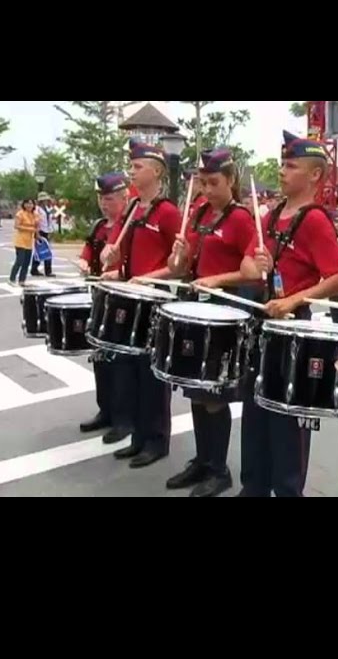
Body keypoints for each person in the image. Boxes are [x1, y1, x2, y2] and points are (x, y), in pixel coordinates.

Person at [237, 131, 338, 497]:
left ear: (314, 175)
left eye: (290, 165)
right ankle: (253, 487)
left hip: (295, 329)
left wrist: (294, 298)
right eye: (282, 164)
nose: (282, 172)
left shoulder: (314, 220)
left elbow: (337, 278)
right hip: (264, 322)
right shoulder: (270, 217)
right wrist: (260, 265)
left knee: (288, 428)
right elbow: (256, 269)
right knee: (255, 417)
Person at [162, 148, 259, 498]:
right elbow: (180, 267)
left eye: (213, 182)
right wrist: (179, 255)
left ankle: (219, 470)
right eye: (202, 182)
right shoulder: (199, 213)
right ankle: (203, 460)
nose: (205, 189)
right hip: (198, 308)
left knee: (214, 394)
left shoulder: (241, 219)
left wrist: (219, 279)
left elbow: (254, 275)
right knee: (196, 391)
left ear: (231, 180)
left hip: (225, 313)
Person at [98, 139, 182, 467]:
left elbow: (180, 266)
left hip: (155, 300)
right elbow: (117, 250)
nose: (131, 171)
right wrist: (112, 261)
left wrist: (151, 277)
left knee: (151, 373)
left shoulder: (168, 212)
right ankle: (138, 436)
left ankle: (157, 440)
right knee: (130, 370)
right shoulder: (133, 209)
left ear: (157, 170)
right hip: (131, 299)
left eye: (137, 167)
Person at [78, 172, 131, 434]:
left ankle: (123, 417)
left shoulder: (128, 225)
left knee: (119, 360)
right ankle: (105, 409)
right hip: (99, 295)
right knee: (99, 356)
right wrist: (84, 262)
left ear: (124, 197)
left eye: (109, 198)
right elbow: (88, 249)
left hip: (122, 298)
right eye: (101, 198)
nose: (104, 203)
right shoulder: (100, 226)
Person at [10, 198, 39, 286]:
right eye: (27, 203)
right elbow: (16, 226)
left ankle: (22, 280)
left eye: (31, 204)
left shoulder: (35, 215)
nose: (29, 205)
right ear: (24, 204)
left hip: (29, 242)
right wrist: (30, 229)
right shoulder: (20, 214)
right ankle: (12, 279)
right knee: (19, 261)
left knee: (26, 263)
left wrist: (37, 235)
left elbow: (36, 227)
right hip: (20, 241)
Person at [31, 192, 55, 278]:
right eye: (43, 200)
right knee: (40, 251)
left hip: (47, 230)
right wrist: (36, 233)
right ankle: (36, 269)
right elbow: (35, 222)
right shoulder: (36, 209)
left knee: (47, 251)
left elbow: (51, 220)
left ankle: (47, 270)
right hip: (40, 231)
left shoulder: (48, 209)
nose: (45, 201)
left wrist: (52, 231)